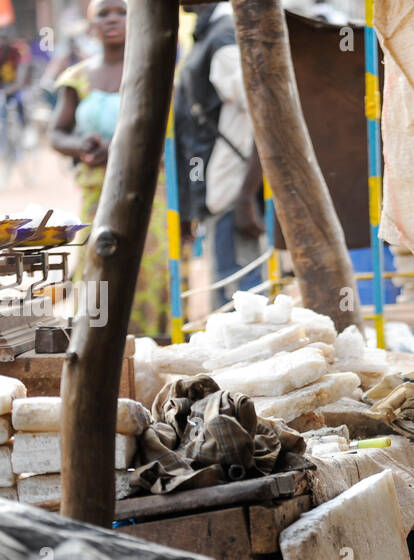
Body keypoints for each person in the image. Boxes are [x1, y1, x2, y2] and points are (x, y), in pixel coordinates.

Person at [50, 0, 170, 337]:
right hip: (96, 192)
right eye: (103, 14)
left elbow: (170, 133)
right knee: (96, 268)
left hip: (148, 190)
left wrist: (120, 147)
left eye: (121, 12)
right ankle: (94, 351)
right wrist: (80, 146)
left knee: (147, 269)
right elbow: (56, 133)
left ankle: (148, 355)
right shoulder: (76, 78)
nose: (112, 19)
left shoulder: (152, 71)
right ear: (91, 26)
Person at [174, 2, 267, 308]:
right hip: (217, 192)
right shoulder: (208, 34)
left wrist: (245, 196)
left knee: (242, 304)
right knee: (228, 297)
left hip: (232, 193)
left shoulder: (224, 36)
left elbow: (261, 118)